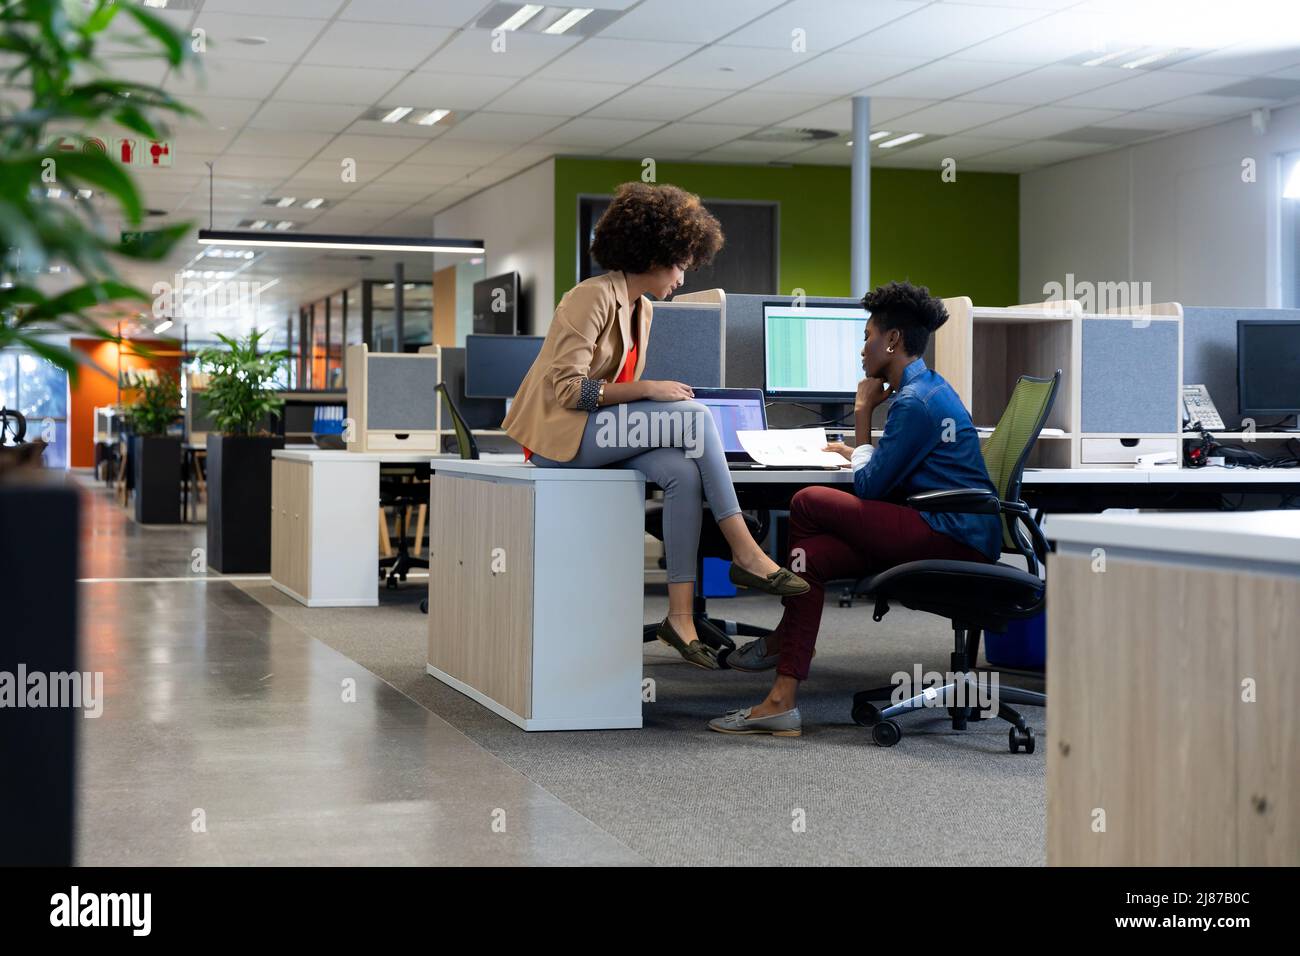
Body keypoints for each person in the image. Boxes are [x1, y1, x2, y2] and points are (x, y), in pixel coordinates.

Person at [503, 182, 808, 671]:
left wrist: (646, 392)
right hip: (559, 437)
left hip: (597, 431)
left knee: (681, 474)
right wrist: (647, 389)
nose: (683, 279)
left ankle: (680, 619)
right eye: (681, 264)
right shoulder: (590, 298)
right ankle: (745, 551)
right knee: (694, 415)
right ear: (653, 254)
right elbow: (569, 392)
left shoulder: (642, 308)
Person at [708, 281, 1000, 737]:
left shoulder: (916, 402)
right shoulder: (923, 390)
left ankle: (786, 639)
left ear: (892, 340)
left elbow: (869, 487)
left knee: (807, 500)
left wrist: (862, 409)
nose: (862, 349)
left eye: (866, 336)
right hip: (937, 524)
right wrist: (859, 448)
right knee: (816, 558)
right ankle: (782, 701)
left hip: (952, 534)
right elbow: (882, 476)